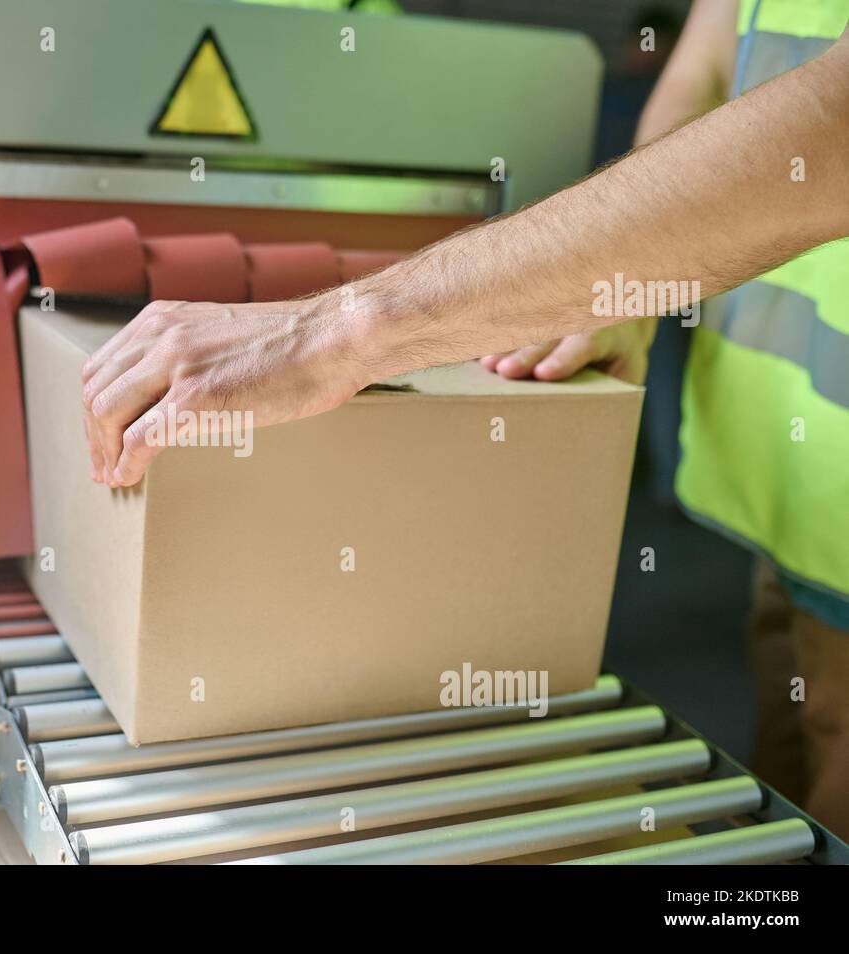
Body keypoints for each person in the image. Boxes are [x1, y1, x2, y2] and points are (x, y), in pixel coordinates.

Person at [80, 0, 849, 837]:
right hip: (783, 498)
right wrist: (636, 292)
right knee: (792, 788)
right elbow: (706, 73)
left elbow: (834, 125)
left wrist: (339, 333)